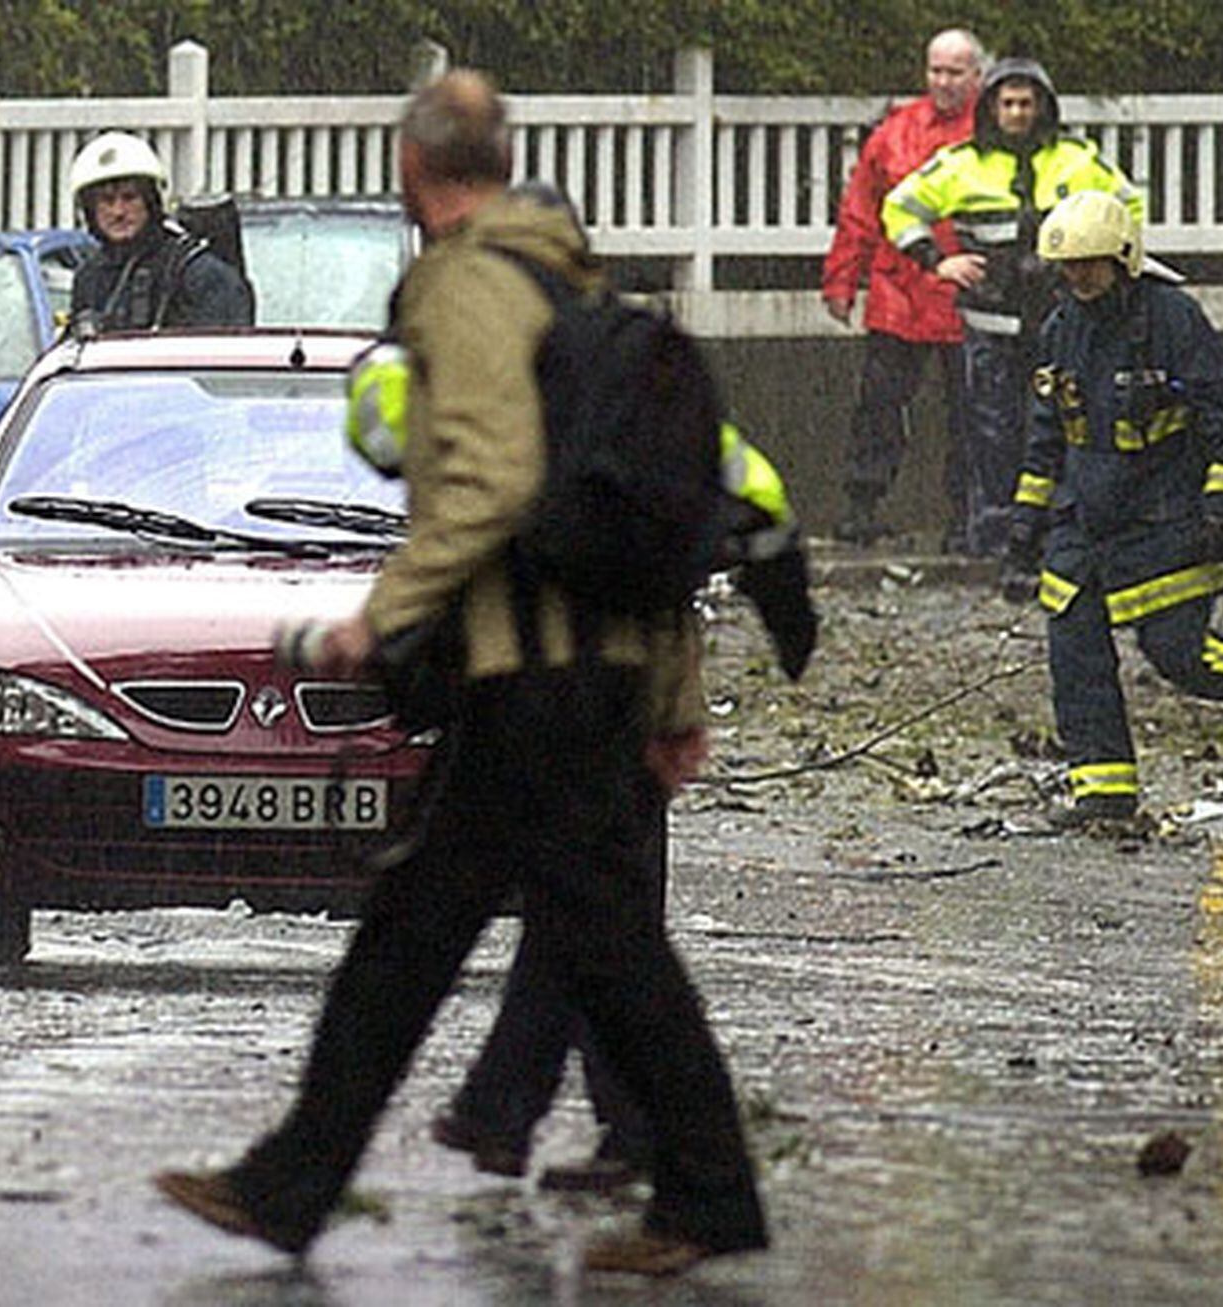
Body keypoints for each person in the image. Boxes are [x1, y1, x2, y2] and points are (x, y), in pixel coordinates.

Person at [152, 69, 768, 1278]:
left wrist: (373, 621)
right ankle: (293, 1178)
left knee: (586, 944)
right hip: (575, 670)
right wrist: (670, 691)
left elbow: (487, 482)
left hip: (532, 677)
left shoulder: (463, 283)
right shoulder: (574, 285)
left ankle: (709, 1192)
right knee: (421, 933)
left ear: (411, 168)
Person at [433, 420, 814, 1192]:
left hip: (613, 705)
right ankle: (575, 1123)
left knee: (593, 921)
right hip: (592, 697)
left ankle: (567, 1121)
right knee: (592, 923)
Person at [1001, 190, 1223, 826]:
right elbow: (1046, 436)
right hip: (1086, 520)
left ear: (1122, 258)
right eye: (1068, 267)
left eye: (1091, 264)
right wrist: (1025, 524)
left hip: (1165, 515)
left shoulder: (1171, 319)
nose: (1078, 277)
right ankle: (1104, 793)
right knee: (1074, 650)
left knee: (1176, 651)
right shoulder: (1059, 330)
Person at [883, 57, 1144, 557]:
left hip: (1063, 321)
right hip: (991, 325)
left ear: (1043, 106)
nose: (1018, 114)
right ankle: (999, 536)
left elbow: (1128, 204)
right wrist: (937, 261)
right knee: (991, 433)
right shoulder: (962, 163)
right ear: (991, 107)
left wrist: (1116, 272)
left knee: (1068, 423)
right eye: (1008, 103)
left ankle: (1063, 531)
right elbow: (899, 206)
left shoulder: (1077, 159)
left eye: (1027, 103)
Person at [821, 29, 984, 547]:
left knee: (973, 417)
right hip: (900, 294)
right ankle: (861, 506)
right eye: (935, 70)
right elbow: (859, 212)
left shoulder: (995, 130)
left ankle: (969, 517)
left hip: (970, 297)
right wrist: (842, 279)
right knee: (879, 409)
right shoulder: (895, 131)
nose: (943, 82)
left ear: (976, 75)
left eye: (954, 72)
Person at [66, 131, 253, 333]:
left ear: (151, 201)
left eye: (129, 198)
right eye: (107, 200)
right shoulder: (89, 277)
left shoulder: (198, 273)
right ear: (89, 209)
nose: (118, 212)